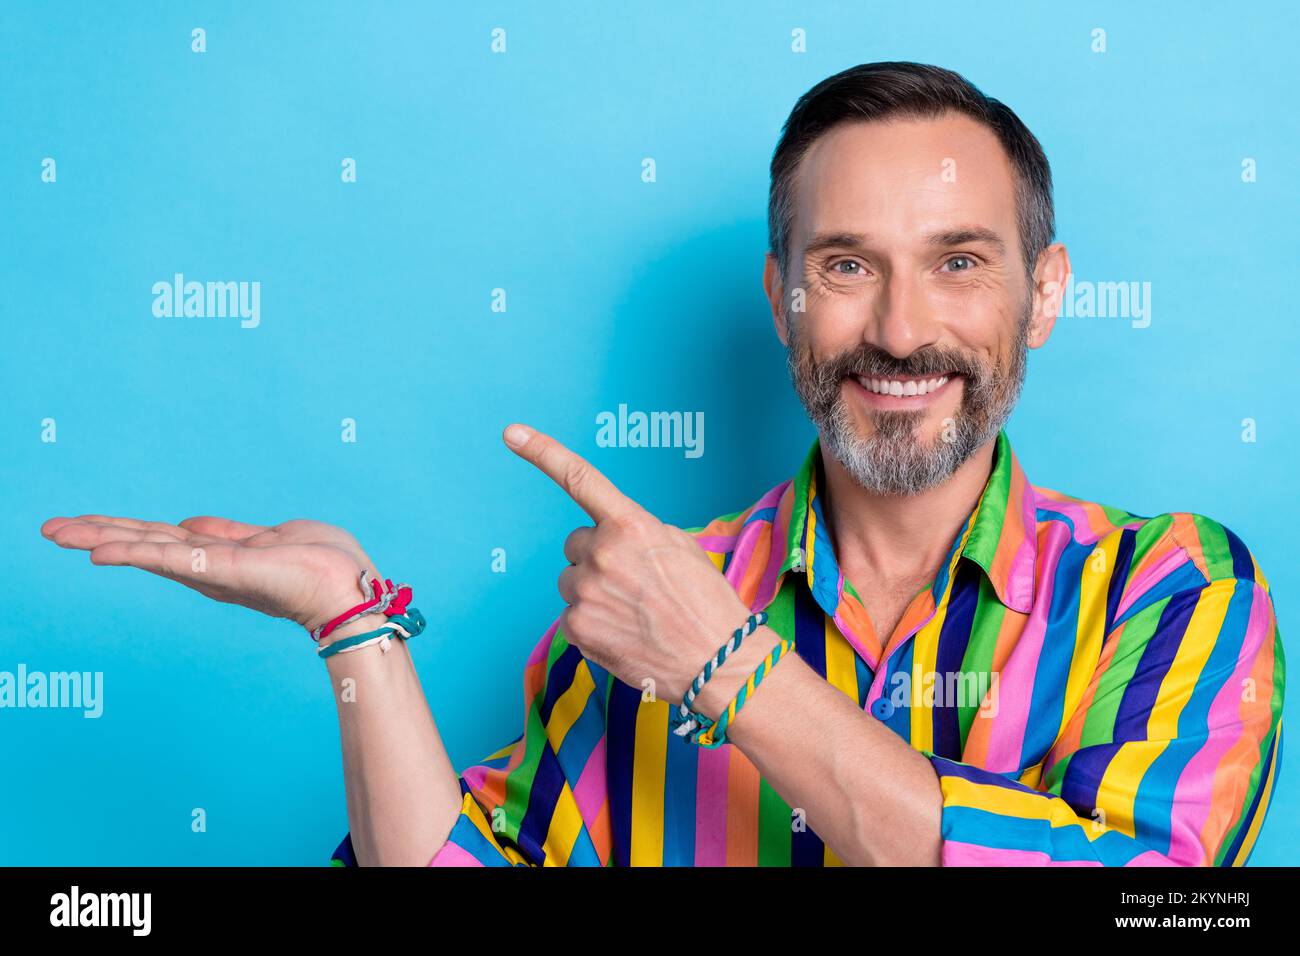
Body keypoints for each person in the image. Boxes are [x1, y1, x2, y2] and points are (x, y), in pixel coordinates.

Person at [42, 62, 1284, 867]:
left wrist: (730, 668)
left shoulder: (1173, 589)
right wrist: (354, 627)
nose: (903, 329)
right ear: (782, 296)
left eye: (959, 260)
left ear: (1045, 290)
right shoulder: (647, 597)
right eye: (847, 265)